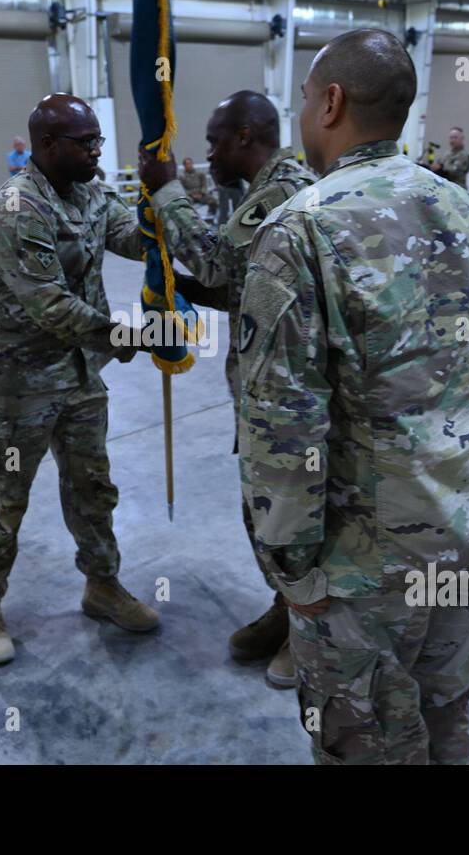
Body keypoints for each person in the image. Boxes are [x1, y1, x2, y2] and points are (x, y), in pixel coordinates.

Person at [238, 29, 469, 765]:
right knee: (447, 720)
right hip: (466, 532)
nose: (303, 114)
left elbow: (282, 424)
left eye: (305, 98)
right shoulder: (464, 211)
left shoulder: (300, 227)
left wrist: (291, 571)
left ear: (330, 102)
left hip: (367, 569)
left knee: (363, 742)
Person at [0, 93, 157, 666]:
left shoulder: (91, 192)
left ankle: (102, 585)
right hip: (15, 385)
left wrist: (163, 215)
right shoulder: (16, 210)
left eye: (99, 139)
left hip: (78, 376)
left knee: (92, 489)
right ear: (48, 145)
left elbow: (130, 237)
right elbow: (50, 306)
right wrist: (131, 338)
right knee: (2, 501)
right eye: (87, 142)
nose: (98, 150)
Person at [137, 90, 316, 687]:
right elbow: (240, 282)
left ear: (245, 136)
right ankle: (288, 609)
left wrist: (165, 189)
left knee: (290, 523)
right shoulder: (269, 190)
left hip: (293, 405)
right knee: (267, 521)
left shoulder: (280, 188)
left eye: (214, 141)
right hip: (266, 398)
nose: (207, 154)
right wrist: (178, 283)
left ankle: (310, 633)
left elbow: (217, 261)